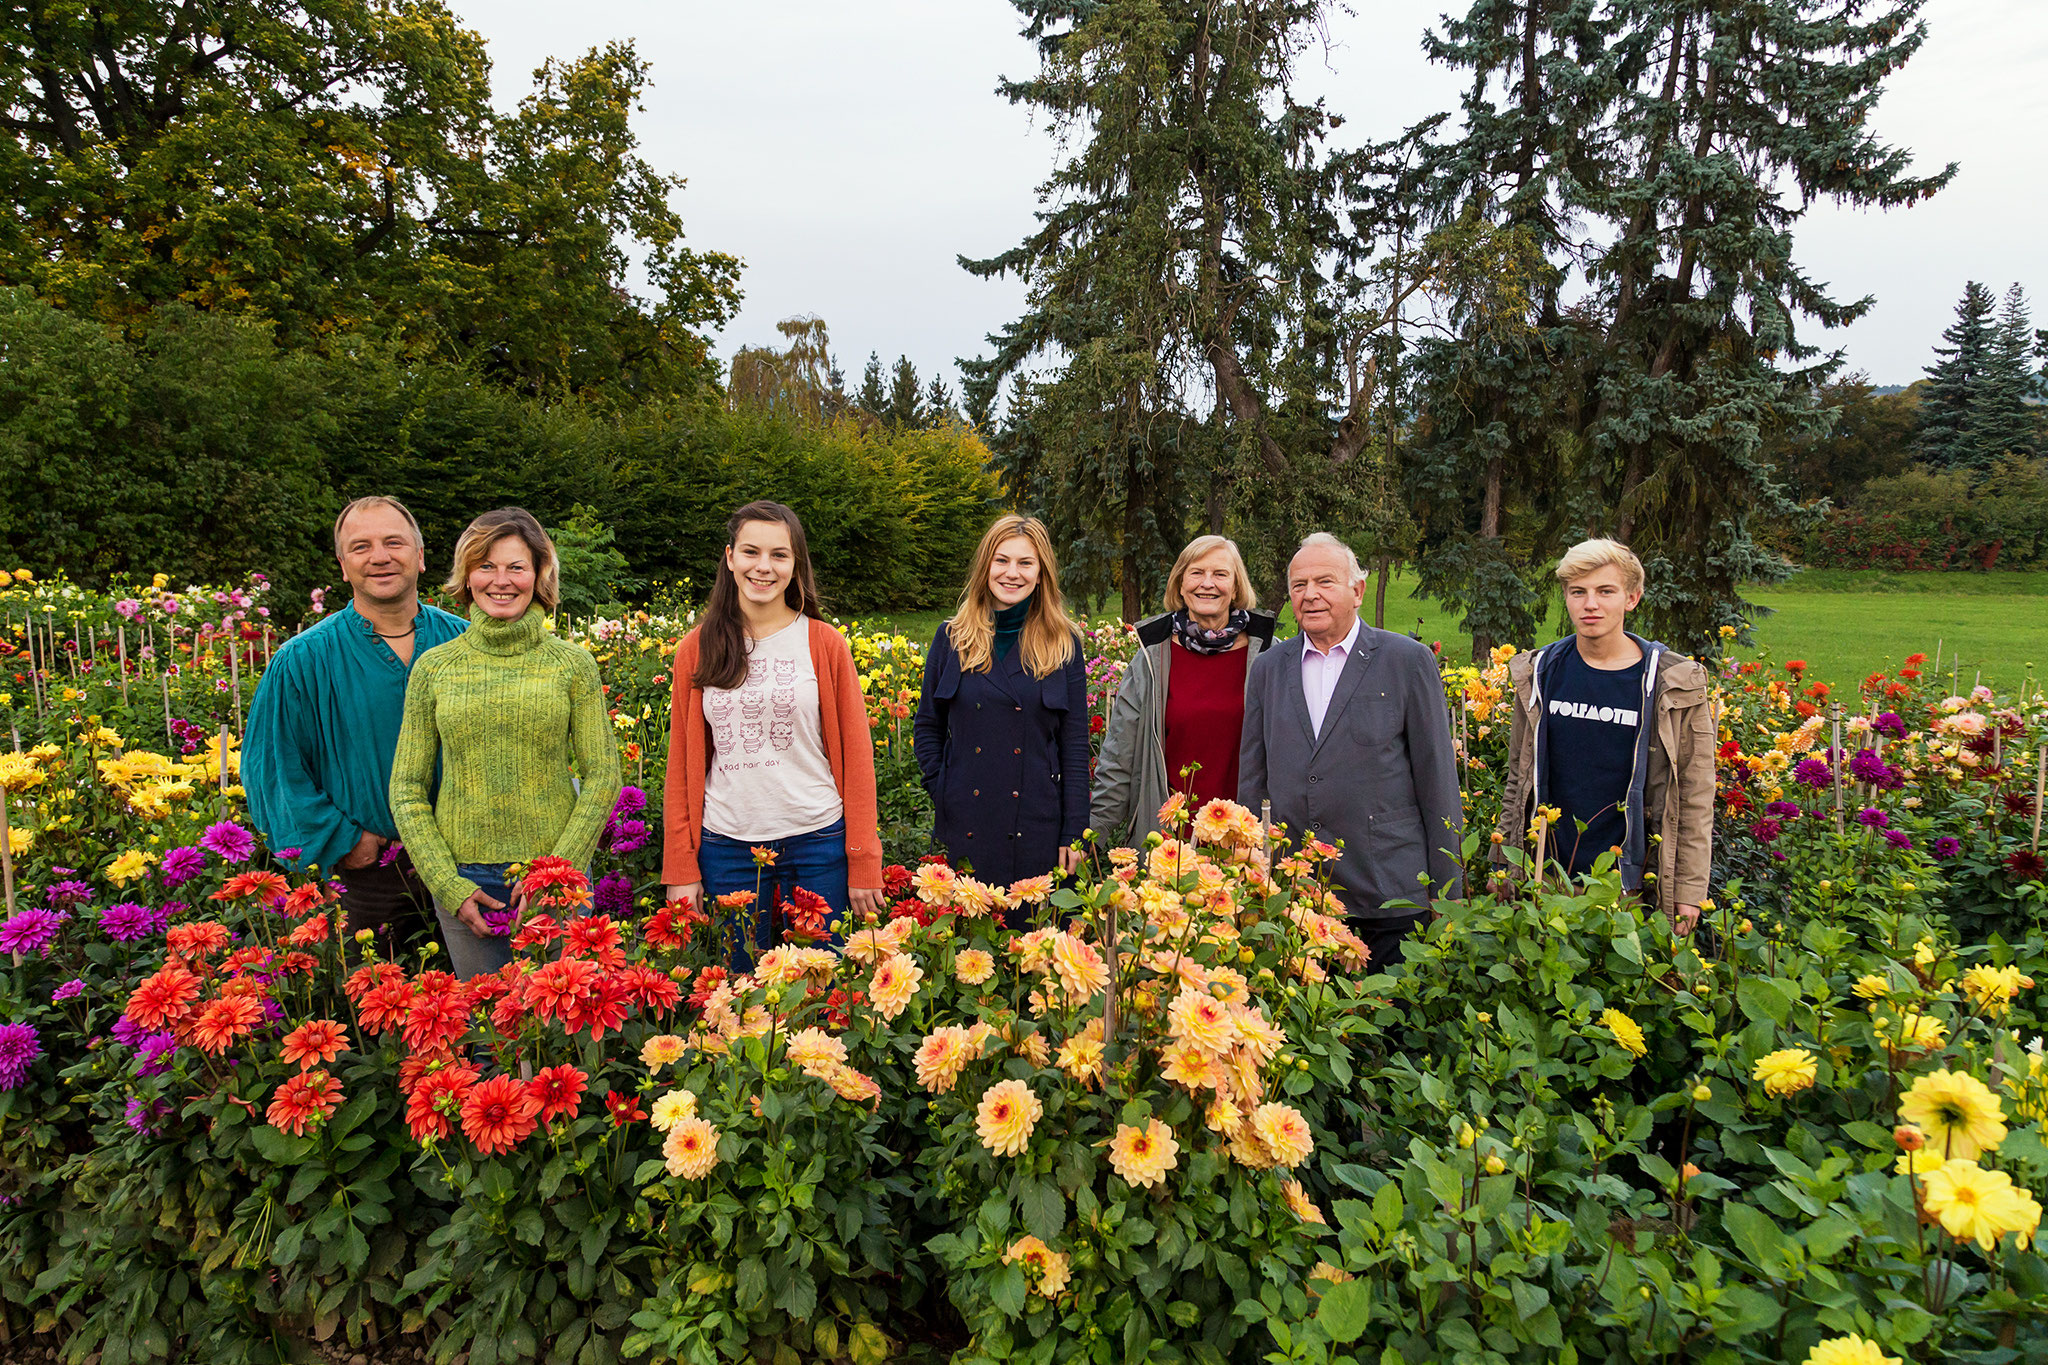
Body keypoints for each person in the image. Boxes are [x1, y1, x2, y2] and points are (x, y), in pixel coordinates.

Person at [389, 508, 622, 979]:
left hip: (556, 879)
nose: (502, 580)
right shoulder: (434, 668)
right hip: (464, 880)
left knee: (563, 1029)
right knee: (487, 1035)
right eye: (486, 566)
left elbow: (603, 775)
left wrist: (558, 872)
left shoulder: (572, 664)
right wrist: (446, 884)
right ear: (467, 576)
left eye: (516, 567)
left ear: (538, 575)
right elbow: (407, 787)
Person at [661, 502, 885, 957]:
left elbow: (859, 761)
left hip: (819, 841)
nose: (764, 567)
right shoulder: (697, 649)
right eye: (751, 552)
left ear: (795, 564)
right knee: (739, 996)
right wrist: (681, 867)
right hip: (727, 848)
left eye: (779, 555)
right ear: (730, 557)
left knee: (824, 993)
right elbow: (681, 767)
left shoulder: (824, 644)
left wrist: (863, 858)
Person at [245, 496, 467, 952]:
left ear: (420, 557)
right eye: (361, 547)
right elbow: (273, 770)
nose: (380, 557)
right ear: (344, 566)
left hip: (469, 864)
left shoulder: (465, 643)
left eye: (394, 542)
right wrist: (347, 842)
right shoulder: (303, 659)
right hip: (370, 878)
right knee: (377, 1013)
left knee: (485, 1009)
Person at [1239, 532, 1463, 970]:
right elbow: (1253, 779)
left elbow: (1437, 781)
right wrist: (1253, 876)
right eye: (1299, 586)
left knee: (1392, 1031)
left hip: (1388, 894)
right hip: (1298, 897)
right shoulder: (1268, 668)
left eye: (1325, 582)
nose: (1311, 595)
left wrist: (1448, 894)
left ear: (1357, 591)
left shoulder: (1406, 661)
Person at [1491, 539, 1713, 935]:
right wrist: (1502, 863)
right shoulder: (1540, 675)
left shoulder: (1670, 684)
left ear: (1632, 598)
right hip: (1546, 877)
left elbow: (1694, 795)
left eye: (1604, 591)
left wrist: (1688, 890)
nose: (1590, 604)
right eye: (1578, 592)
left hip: (1630, 885)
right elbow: (1518, 778)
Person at [914, 514, 1089, 894]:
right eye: (1002, 560)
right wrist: (943, 785)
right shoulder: (952, 638)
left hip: (1038, 825)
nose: (1013, 573)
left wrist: (1074, 830)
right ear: (985, 567)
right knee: (967, 946)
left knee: (1033, 944)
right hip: (967, 821)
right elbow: (927, 725)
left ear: (1041, 573)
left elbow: (1075, 746)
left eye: (1025, 563)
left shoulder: (1063, 644)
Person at [1091, 535, 1277, 842]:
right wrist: (1091, 835)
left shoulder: (1268, 658)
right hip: (1168, 842)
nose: (1207, 583)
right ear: (1180, 584)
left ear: (1236, 587)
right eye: (1196, 573)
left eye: (1220, 574)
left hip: (1244, 840)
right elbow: (1118, 757)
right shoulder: (1151, 659)